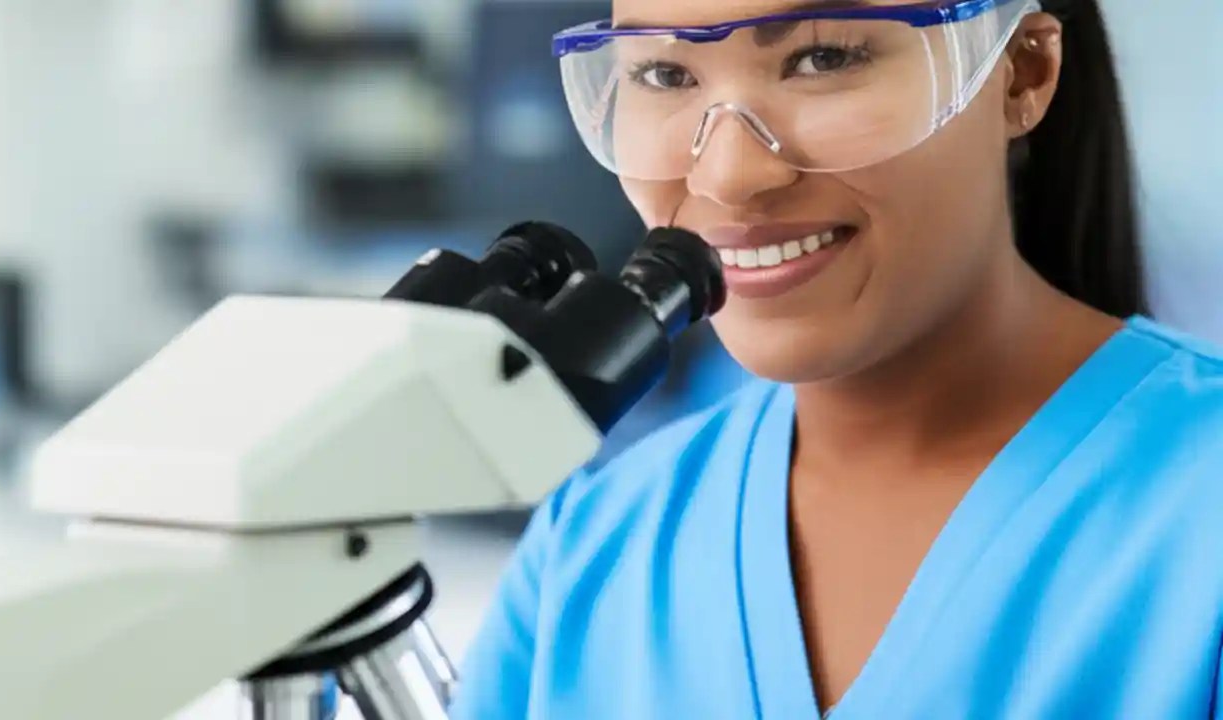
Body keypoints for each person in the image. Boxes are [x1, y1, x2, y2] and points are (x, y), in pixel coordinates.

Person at [450, 0, 1223, 717]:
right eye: (665, 74)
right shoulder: (590, 550)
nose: (730, 175)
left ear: (1019, 72)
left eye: (823, 61)